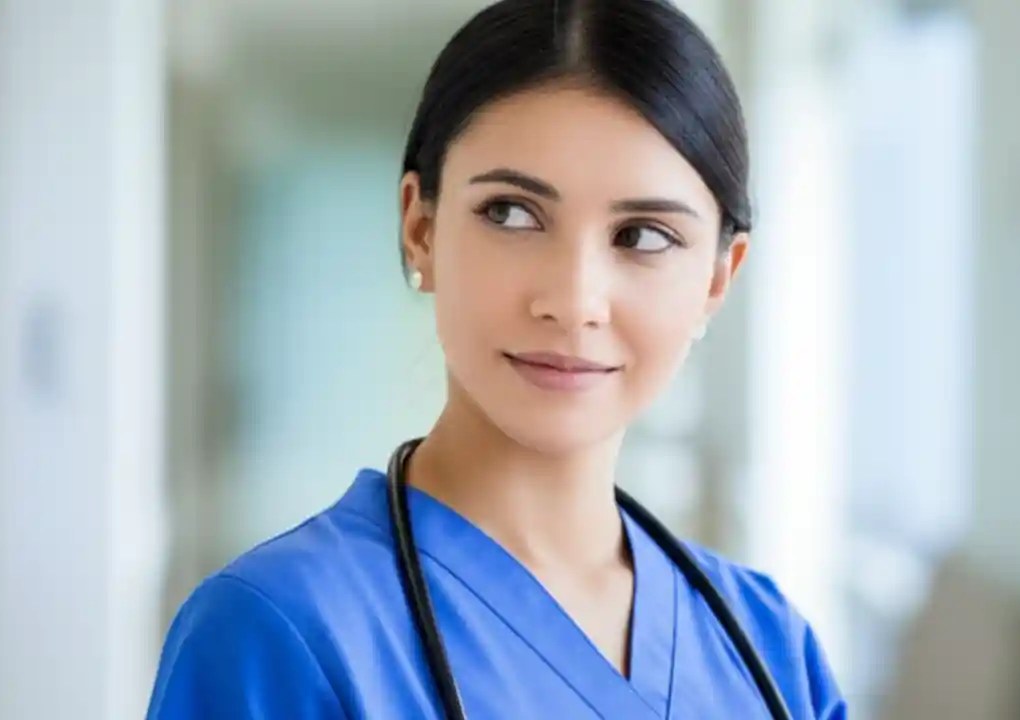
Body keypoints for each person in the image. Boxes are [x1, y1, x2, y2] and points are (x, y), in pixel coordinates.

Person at [147, 0, 848, 717]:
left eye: (642, 235)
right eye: (512, 213)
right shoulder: (281, 635)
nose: (574, 301)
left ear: (717, 278)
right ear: (420, 230)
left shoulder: (771, 651)